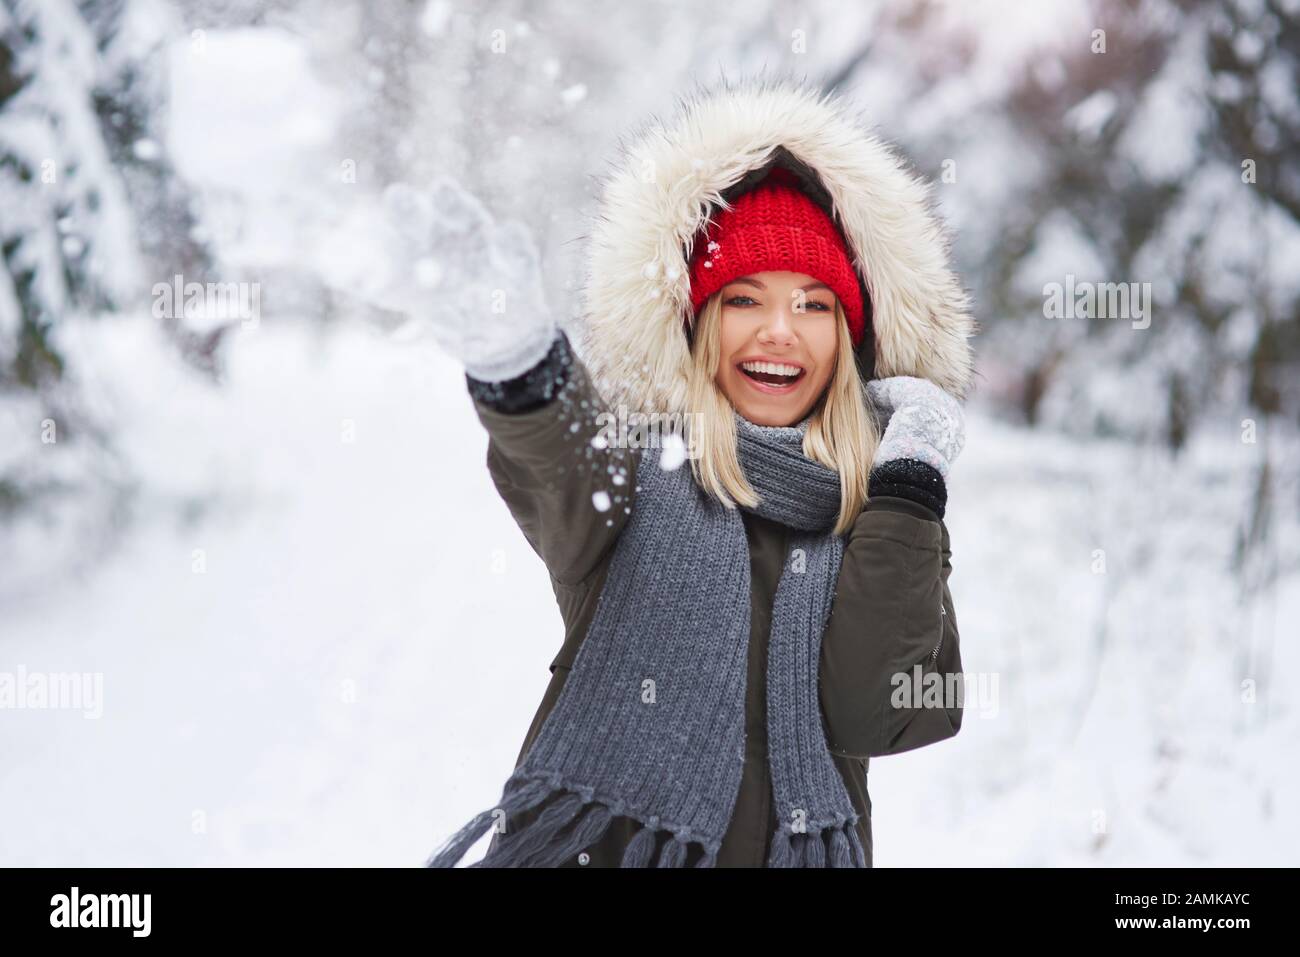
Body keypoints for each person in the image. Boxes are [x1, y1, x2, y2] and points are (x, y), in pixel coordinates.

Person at [379, 76, 975, 867]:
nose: (778, 332)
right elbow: (563, 462)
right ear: (695, 324)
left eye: (814, 304)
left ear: (849, 342)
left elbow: (877, 710)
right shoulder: (638, 475)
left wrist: (908, 489)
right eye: (742, 299)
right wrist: (520, 365)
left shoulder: (885, 512)